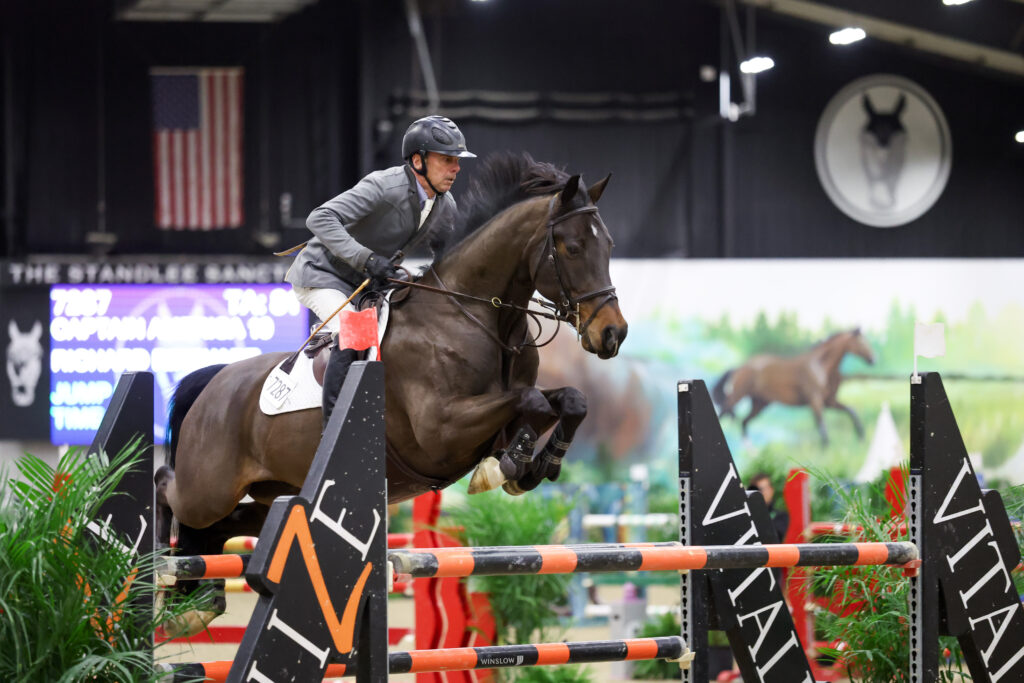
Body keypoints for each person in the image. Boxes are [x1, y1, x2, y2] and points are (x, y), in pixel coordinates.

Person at [284, 115, 476, 428]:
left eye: (457, 161)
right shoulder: (383, 186)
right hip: (322, 275)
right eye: (447, 160)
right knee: (353, 331)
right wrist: (367, 259)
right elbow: (319, 218)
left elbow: (447, 261)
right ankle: (334, 434)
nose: (456, 168)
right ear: (418, 160)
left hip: (367, 283)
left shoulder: (445, 205)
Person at [747, 472, 790, 542]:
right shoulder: (748, 516)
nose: (763, 493)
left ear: (772, 490)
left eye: (765, 488)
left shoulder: (782, 516)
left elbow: (779, 536)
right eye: (759, 489)